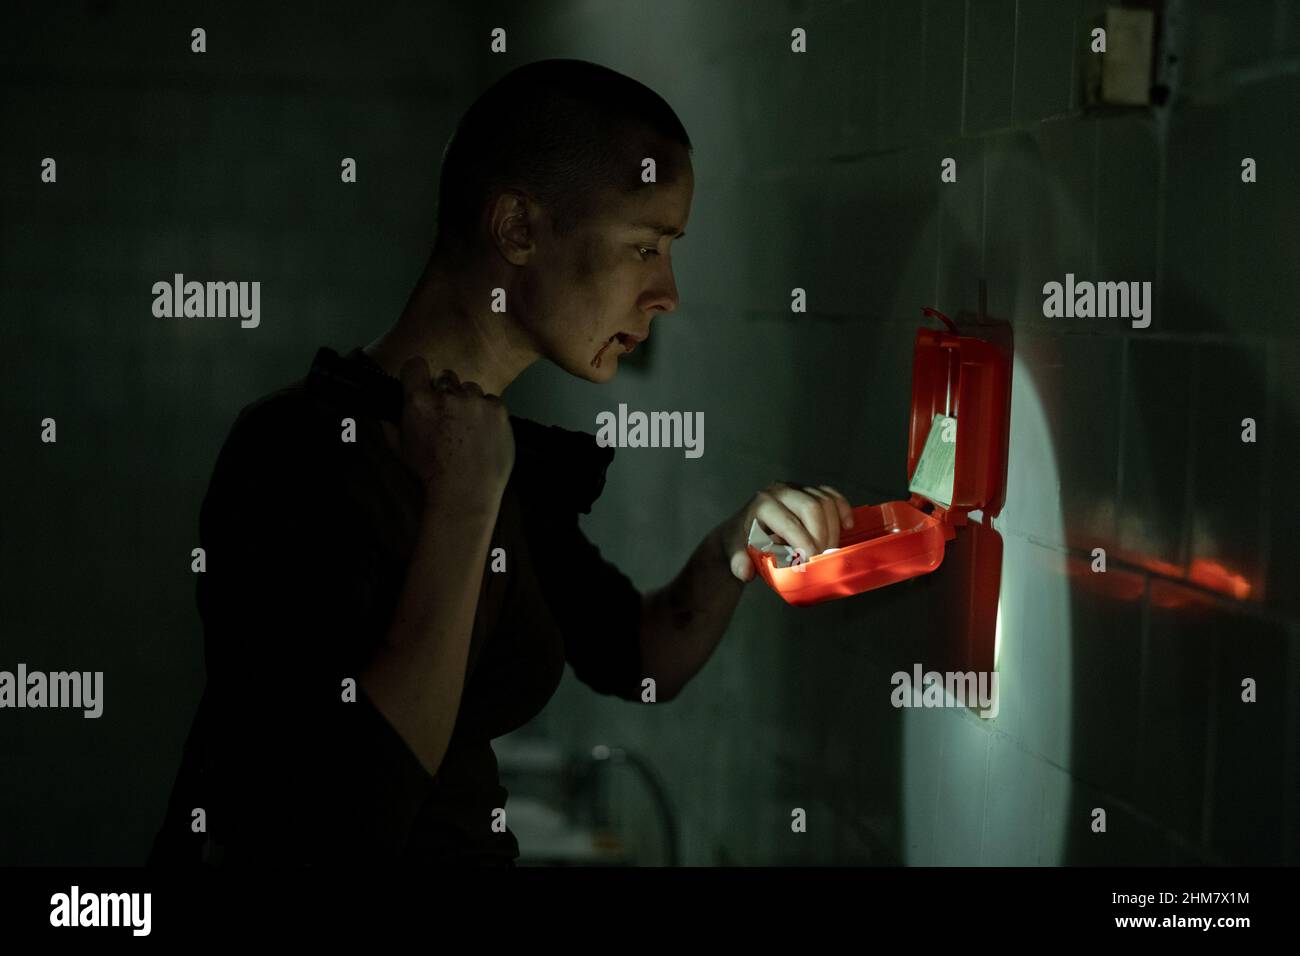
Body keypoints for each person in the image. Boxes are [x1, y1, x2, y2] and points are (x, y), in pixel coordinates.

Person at [147, 58, 853, 866]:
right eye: (645, 247)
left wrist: (740, 547)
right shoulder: (295, 451)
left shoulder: (497, 460)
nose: (668, 292)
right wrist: (463, 507)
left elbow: (639, 656)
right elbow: (345, 822)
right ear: (517, 228)